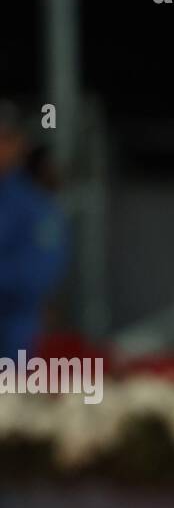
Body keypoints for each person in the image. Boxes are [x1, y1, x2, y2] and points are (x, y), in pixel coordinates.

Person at [0, 101, 69, 357]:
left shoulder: (37, 207)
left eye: (5, 139)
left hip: (13, 332)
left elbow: (38, 274)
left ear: (19, 145)